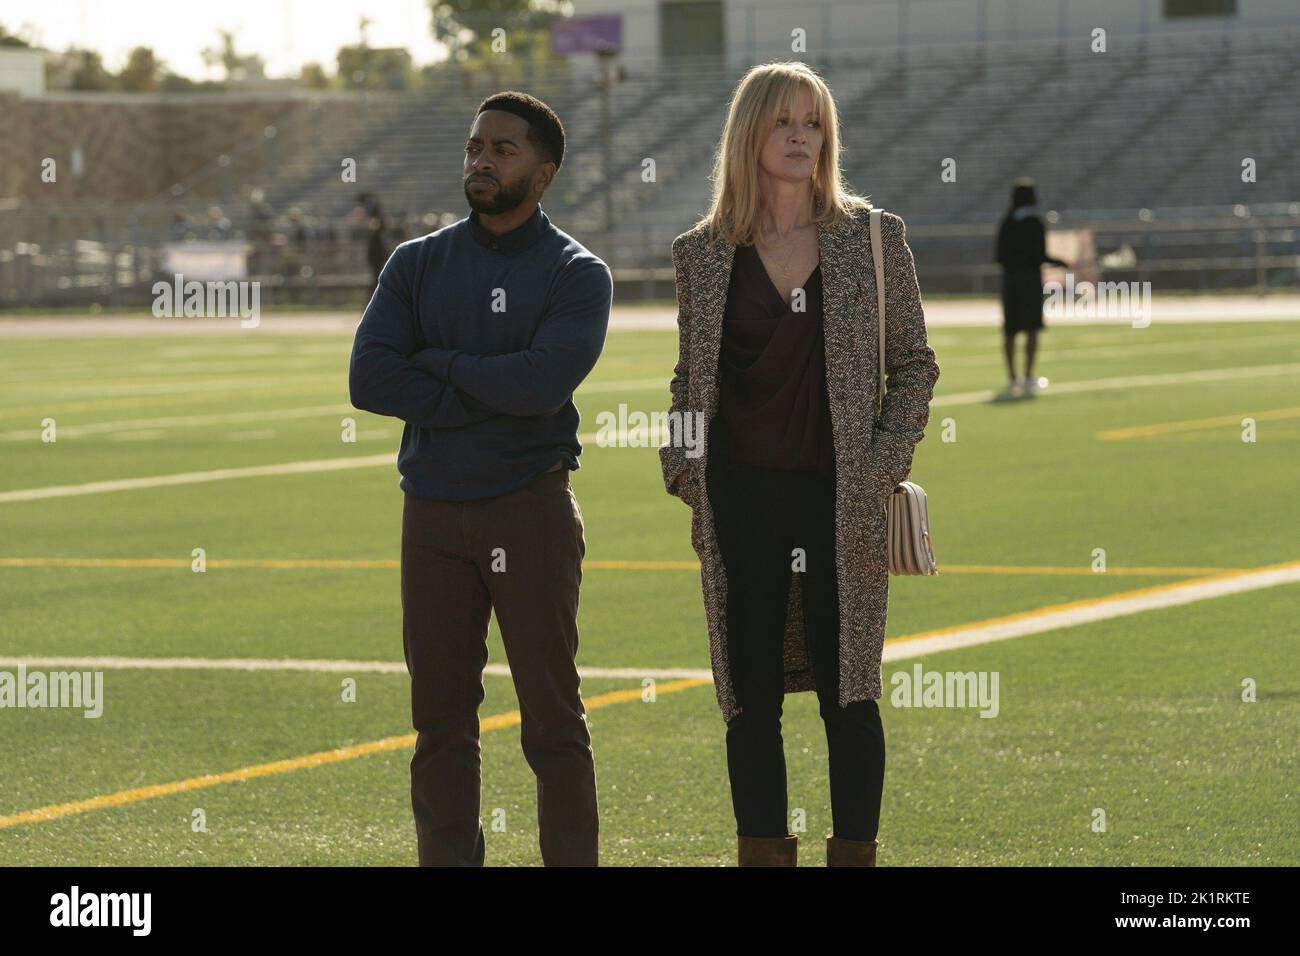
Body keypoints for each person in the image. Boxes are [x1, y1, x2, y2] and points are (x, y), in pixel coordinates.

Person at [658, 62, 940, 867]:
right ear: (750, 133)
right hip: (739, 504)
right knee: (748, 703)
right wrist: (682, 461)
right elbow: (690, 376)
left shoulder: (873, 239)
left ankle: (854, 853)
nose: (798, 136)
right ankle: (762, 854)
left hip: (839, 501)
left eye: (812, 122)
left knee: (849, 697)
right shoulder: (703, 254)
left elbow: (916, 363)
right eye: (782, 121)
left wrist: (882, 465)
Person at [348, 91, 612, 867]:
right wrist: (485, 388)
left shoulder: (575, 272)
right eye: (474, 147)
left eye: (502, 149)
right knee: (439, 721)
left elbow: (540, 387)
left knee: (553, 722)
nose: (482, 161)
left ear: (544, 169)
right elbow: (369, 379)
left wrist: (438, 366)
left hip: (529, 510)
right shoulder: (417, 262)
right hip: (431, 514)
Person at [994, 177, 1068, 399]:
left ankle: (1012, 377)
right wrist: (1061, 262)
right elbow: (1040, 255)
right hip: (1030, 280)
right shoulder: (1034, 223)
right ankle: (1028, 376)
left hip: (1009, 280)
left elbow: (999, 256)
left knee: (1010, 329)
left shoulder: (1006, 222)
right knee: (1032, 328)